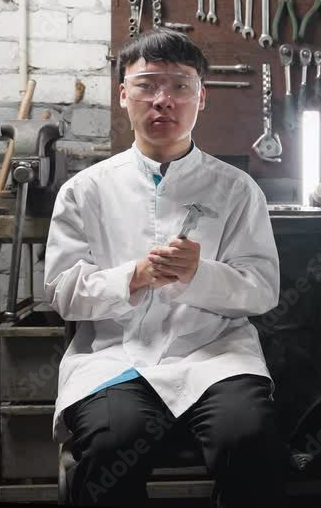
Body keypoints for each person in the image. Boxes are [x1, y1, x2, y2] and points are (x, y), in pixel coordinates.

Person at [44, 28, 286, 507]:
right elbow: (62, 292)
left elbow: (262, 290)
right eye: (147, 85)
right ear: (122, 94)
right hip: (115, 357)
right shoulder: (85, 190)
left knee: (249, 440)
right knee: (111, 447)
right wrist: (134, 276)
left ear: (202, 97)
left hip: (215, 356)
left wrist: (200, 273)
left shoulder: (237, 190)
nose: (163, 101)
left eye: (179, 86)